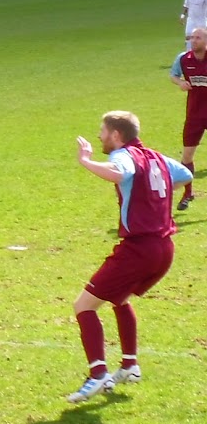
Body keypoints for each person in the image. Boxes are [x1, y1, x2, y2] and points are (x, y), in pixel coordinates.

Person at [66, 111, 192, 403]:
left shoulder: (123, 156)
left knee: (83, 306)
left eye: (103, 131)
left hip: (138, 248)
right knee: (119, 299)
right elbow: (185, 175)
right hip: (164, 249)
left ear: (117, 135)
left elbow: (121, 173)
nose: (99, 136)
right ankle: (129, 365)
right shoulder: (156, 157)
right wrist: (154, 194)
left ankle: (98, 374)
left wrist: (85, 161)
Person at [170, 27, 207, 210]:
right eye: (192, 37)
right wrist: (180, 83)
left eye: (198, 37)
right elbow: (173, 75)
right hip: (194, 115)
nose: (194, 40)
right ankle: (187, 193)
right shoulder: (183, 59)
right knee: (187, 155)